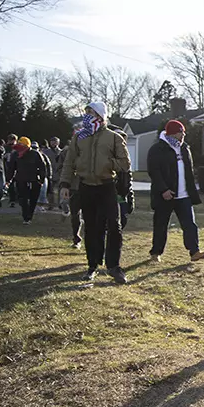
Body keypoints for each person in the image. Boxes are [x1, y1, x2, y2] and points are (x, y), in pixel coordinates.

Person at [58, 102, 131, 283]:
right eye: (86, 113)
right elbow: (69, 162)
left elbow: (125, 163)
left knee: (114, 226)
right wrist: (65, 184)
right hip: (86, 187)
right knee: (91, 227)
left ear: (100, 115)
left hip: (107, 186)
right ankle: (92, 265)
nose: (87, 116)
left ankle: (114, 266)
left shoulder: (113, 137)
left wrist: (108, 163)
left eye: (90, 112)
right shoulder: (79, 138)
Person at [147, 120, 204, 262]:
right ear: (172, 133)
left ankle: (194, 252)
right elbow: (154, 172)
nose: (183, 135)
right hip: (166, 195)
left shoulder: (185, 148)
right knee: (161, 225)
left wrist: (192, 190)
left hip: (184, 195)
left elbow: (188, 171)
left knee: (190, 224)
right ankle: (156, 253)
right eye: (181, 132)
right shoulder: (157, 149)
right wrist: (164, 190)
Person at [11, 137, 46, 225]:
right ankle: (26, 216)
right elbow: (11, 167)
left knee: (33, 199)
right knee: (23, 199)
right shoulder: (15, 154)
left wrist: (42, 178)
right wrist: (9, 179)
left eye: (22, 144)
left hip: (34, 179)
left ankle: (29, 215)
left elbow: (42, 166)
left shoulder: (35, 154)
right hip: (21, 179)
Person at [108, 125, 135, 230]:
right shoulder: (106, 155)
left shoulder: (125, 157)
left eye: (123, 138)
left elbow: (128, 178)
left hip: (122, 196)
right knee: (110, 222)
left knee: (122, 221)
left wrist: (130, 198)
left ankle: (114, 243)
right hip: (108, 195)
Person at [31, 140, 53, 208]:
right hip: (32, 176)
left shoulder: (43, 156)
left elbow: (48, 165)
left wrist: (49, 175)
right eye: (33, 147)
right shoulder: (27, 156)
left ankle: (41, 206)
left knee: (43, 192)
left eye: (36, 148)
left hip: (42, 176)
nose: (35, 149)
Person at [43, 137, 62, 209]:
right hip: (50, 173)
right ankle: (51, 205)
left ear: (58, 143)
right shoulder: (46, 152)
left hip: (59, 173)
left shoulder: (61, 152)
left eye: (55, 142)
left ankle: (60, 204)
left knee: (60, 190)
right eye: (52, 141)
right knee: (50, 190)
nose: (54, 143)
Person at [4, 134, 19, 207]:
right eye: (10, 140)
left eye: (12, 140)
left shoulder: (18, 148)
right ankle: (12, 199)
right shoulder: (5, 148)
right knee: (11, 185)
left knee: (19, 185)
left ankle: (18, 198)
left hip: (18, 168)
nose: (11, 141)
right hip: (8, 168)